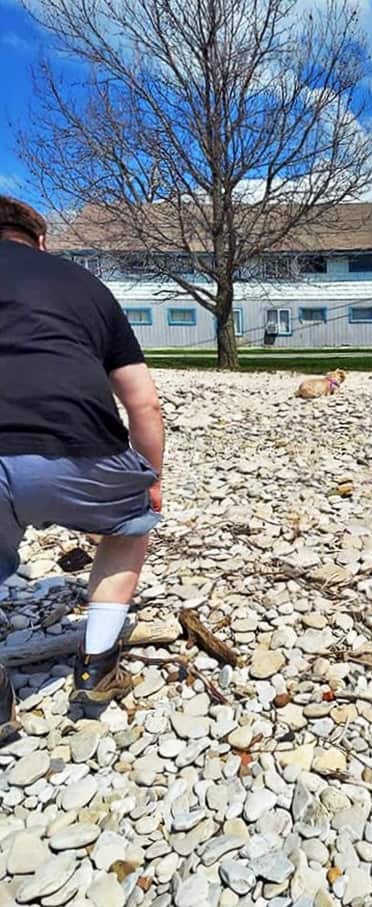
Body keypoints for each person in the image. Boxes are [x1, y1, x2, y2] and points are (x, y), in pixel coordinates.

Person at [0, 196, 164, 740]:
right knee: (128, 527)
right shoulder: (86, 286)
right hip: (86, 454)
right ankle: (97, 666)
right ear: (41, 242)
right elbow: (143, 403)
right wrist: (151, 481)